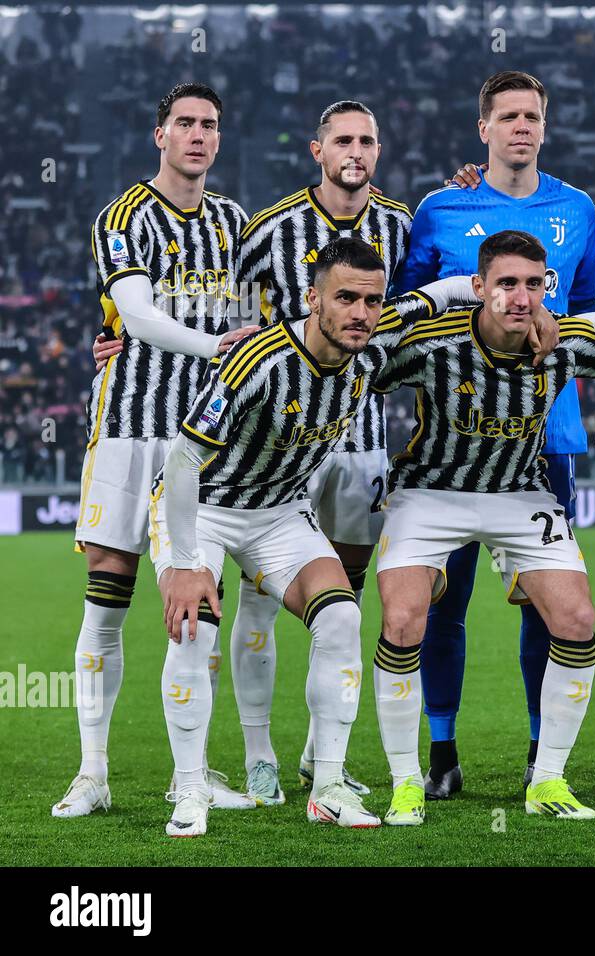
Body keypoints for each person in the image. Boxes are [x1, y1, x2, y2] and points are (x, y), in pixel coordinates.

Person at [393, 71, 595, 797]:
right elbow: (404, 308)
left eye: (534, 115)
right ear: (483, 127)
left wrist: (557, 319)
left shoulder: (577, 208)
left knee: (547, 604)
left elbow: (585, 310)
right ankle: (443, 751)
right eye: (509, 115)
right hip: (452, 440)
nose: (523, 126)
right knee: (441, 602)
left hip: (548, 434)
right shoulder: (441, 208)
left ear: (545, 126)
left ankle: (539, 752)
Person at [150, 238, 401, 835]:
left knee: (340, 618)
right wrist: (185, 562)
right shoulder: (260, 359)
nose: (361, 313)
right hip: (202, 506)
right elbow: (184, 463)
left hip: (280, 511)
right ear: (313, 298)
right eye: (345, 298)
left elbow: (437, 301)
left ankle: (330, 785)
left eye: (371, 300)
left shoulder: (372, 351)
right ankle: (189, 789)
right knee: (194, 627)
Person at [54, 82, 257, 819]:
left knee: (194, 609)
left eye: (209, 126)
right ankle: (93, 773)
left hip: (202, 443)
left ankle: (191, 776)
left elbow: (296, 283)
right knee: (106, 606)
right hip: (129, 432)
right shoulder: (125, 216)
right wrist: (214, 345)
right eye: (185, 124)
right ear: (159, 134)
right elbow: (135, 313)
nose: (198, 136)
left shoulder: (239, 222)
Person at [371, 229, 595, 822]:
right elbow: (367, 339)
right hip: (431, 491)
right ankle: (408, 782)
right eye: (506, 284)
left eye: (534, 285)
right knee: (405, 618)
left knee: (578, 618)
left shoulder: (565, 341)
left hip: (518, 491)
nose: (520, 297)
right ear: (478, 287)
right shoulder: (434, 343)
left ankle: (549, 782)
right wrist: (439, 294)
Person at [228, 99, 412, 804]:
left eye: (368, 139)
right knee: (262, 602)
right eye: (344, 139)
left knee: (344, 598)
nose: (356, 151)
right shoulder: (270, 230)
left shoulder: (401, 224)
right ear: (317, 149)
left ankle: (318, 754)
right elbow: (233, 329)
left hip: (363, 442)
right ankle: (256, 755)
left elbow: (422, 307)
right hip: (279, 450)